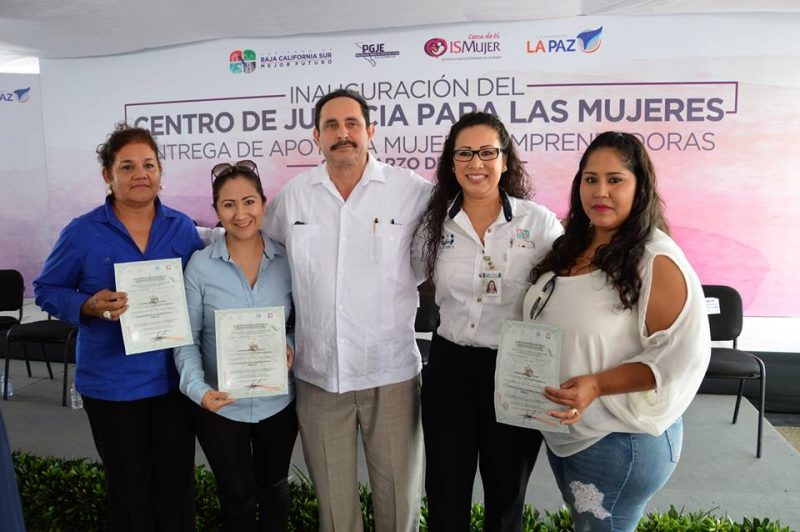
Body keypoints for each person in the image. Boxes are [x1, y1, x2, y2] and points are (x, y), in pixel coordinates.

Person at [523, 131, 710, 531]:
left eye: (615, 180)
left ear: (640, 187)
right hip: (568, 430)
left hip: (618, 439)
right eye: (590, 179)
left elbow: (680, 357)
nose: (600, 191)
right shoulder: (573, 244)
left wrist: (597, 385)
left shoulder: (654, 259)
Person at [264, 88, 431, 531]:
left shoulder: (412, 193)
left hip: (390, 373)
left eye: (352, 124)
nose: (343, 134)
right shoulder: (292, 199)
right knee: (335, 513)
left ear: (370, 131)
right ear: (316, 136)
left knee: (399, 506)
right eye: (332, 126)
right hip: (319, 376)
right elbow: (267, 270)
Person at [33, 123, 202, 531]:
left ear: (161, 171)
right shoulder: (82, 231)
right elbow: (46, 289)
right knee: (128, 494)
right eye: (127, 166)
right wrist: (86, 305)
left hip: (172, 382)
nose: (140, 174)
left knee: (176, 490)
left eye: (148, 164)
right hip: (112, 385)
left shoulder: (182, 227)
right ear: (108, 175)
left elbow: (203, 288)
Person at [416, 111, 563, 531]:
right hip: (449, 367)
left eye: (486, 152)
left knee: (505, 495)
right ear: (451, 161)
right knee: (445, 491)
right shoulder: (433, 221)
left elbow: (565, 292)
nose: (475, 163)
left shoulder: (538, 223)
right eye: (464, 153)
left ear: (504, 160)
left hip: (516, 366)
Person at [174, 160, 298, 531]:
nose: (240, 214)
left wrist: (290, 345)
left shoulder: (288, 260)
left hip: (278, 402)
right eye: (228, 205)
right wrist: (199, 391)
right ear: (216, 211)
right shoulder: (200, 266)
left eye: (249, 202)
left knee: (274, 488)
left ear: (263, 203)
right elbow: (186, 338)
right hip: (219, 406)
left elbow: (299, 323)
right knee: (237, 496)